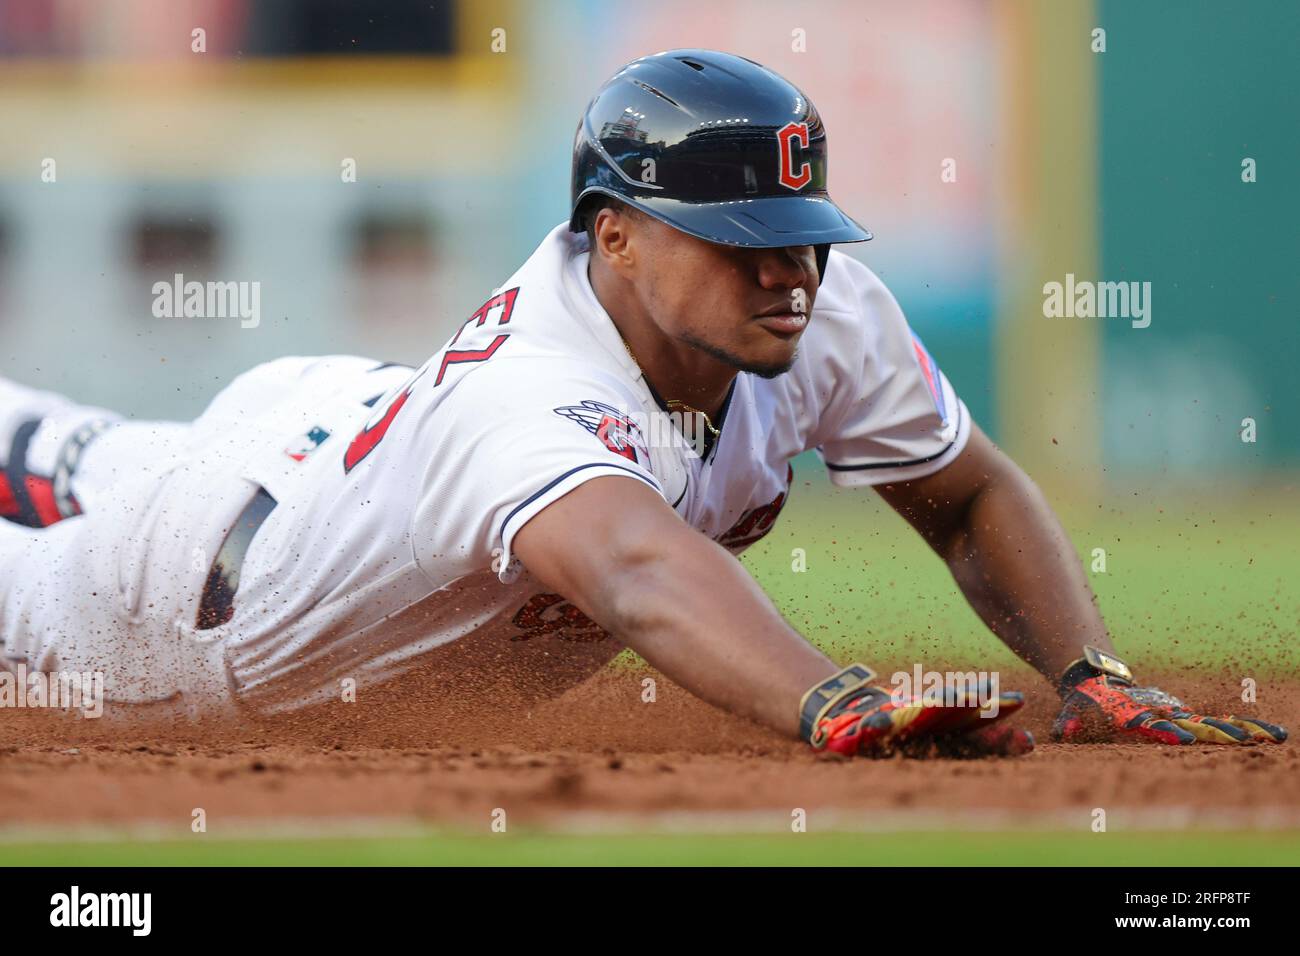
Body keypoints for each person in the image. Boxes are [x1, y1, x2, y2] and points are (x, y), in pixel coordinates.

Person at [0, 50, 1284, 754]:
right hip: (168, 608)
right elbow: (633, 566)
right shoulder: (531, 401)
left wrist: (1089, 670)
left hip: (334, 429)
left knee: (84, 446)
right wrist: (832, 697)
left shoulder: (819, 311)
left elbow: (969, 497)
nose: (787, 267)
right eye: (740, 236)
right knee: (68, 528)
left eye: (804, 231)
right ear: (612, 236)